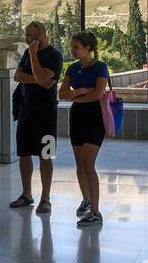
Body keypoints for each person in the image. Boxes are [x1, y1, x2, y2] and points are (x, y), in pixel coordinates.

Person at [10, 21, 63, 214]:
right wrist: (39, 79)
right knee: (23, 153)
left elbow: (44, 76)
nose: (26, 39)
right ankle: (26, 194)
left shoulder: (55, 55)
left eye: (29, 35)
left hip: (46, 112)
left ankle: (46, 198)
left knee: (46, 155)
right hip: (25, 110)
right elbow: (18, 76)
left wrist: (33, 56)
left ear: (40, 34)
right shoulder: (26, 53)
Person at [59, 31, 110, 226]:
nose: (72, 50)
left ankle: (96, 212)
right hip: (77, 117)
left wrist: (74, 96)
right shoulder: (72, 68)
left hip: (95, 118)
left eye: (76, 47)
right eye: (72, 47)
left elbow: (98, 94)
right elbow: (61, 93)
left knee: (89, 165)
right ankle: (86, 200)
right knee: (80, 165)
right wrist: (79, 92)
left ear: (87, 48)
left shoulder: (100, 67)